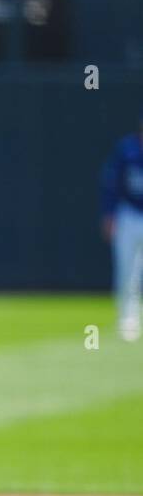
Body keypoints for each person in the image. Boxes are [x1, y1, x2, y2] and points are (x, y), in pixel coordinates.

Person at [100, 111, 143, 342]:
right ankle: (128, 319)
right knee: (127, 270)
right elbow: (110, 183)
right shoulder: (127, 150)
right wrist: (109, 215)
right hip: (129, 215)